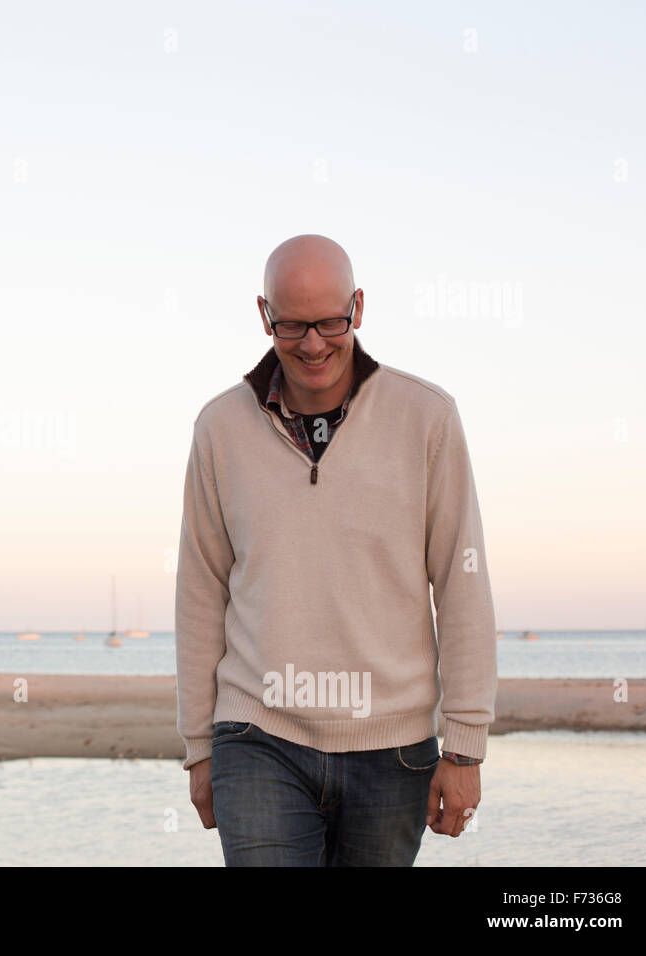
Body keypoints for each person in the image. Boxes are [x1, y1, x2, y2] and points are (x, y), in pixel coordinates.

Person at [174, 234, 497, 866]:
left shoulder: (426, 418)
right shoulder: (219, 428)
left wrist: (464, 747)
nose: (314, 344)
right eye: (292, 325)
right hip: (258, 736)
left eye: (330, 322)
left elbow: (462, 582)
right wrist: (198, 747)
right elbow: (199, 590)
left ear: (359, 307)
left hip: (394, 749)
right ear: (265, 315)